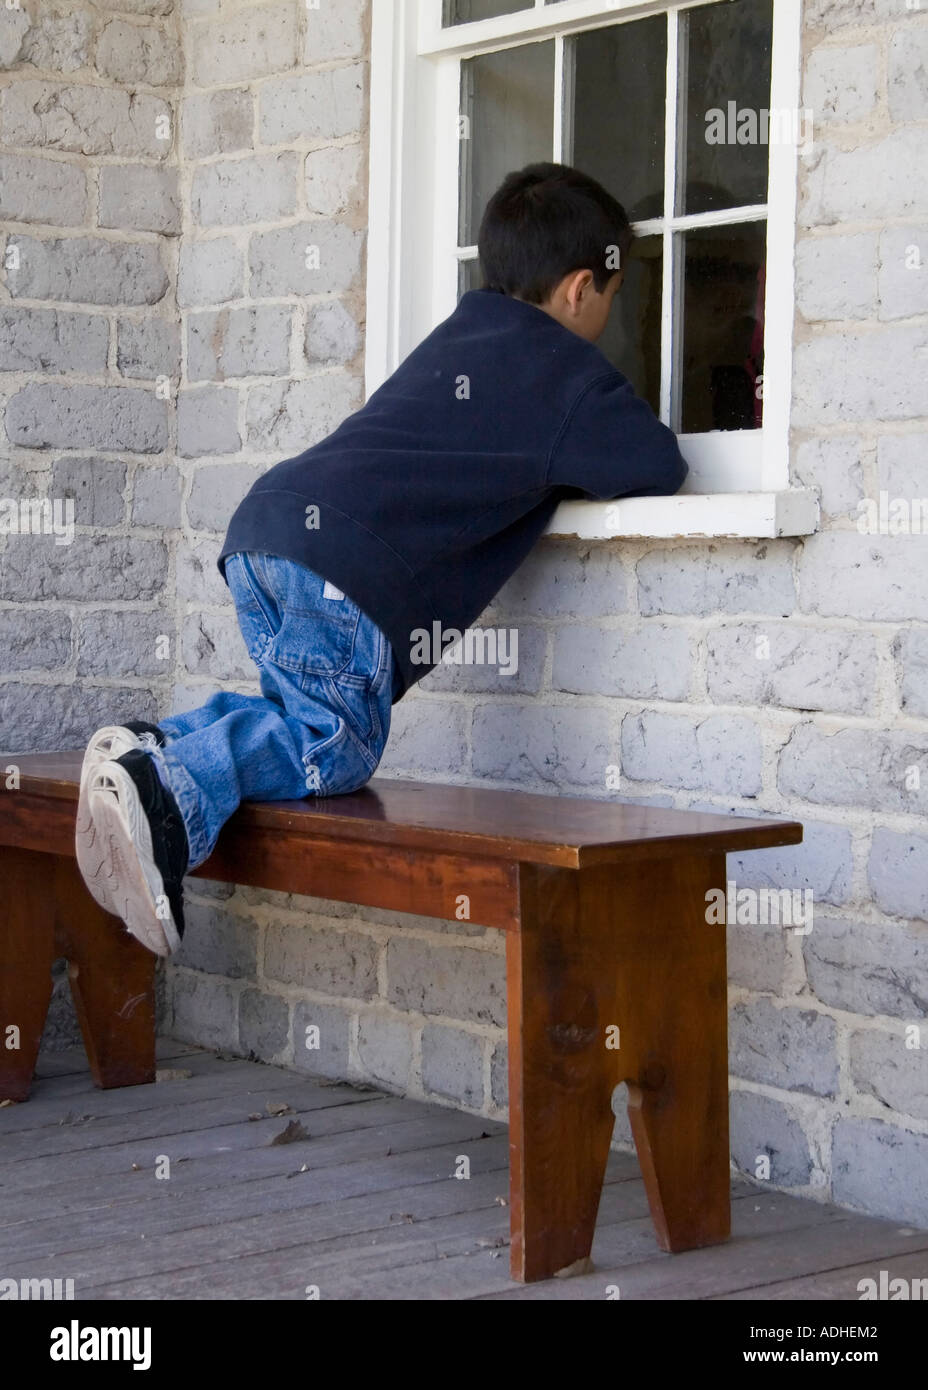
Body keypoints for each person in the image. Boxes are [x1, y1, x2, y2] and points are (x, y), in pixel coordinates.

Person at [75, 161, 688, 959]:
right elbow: (656, 462)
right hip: (341, 569)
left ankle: (149, 748)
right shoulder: (568, 378)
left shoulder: (462, 331)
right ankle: (166, 796)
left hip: (267, 529)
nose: (609, 316)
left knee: (299, 719)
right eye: (612, 297)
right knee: (336, 746)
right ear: (580, 288)